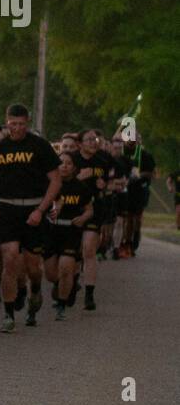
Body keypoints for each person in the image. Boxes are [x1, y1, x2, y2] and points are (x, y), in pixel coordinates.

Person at [0, 104, 61, 332]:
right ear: (7, 122)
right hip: (7, 210)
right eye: (12, 124)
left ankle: (35, 290)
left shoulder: (40, 146)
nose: (16, 128)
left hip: (33, 210)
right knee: (9, 260)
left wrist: (41, 210)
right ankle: (8, 315)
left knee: (32, 267)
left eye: (21, 124)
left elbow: (55, 180)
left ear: (27, 122)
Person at [43, 152, 93, 321]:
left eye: (68, 163)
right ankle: (61, 284)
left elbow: (89, 209)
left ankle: (62, 304)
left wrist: (83, 218)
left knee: (66, 268)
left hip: (71, 232)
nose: (64, 166)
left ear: (74, 168)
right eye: (61, 162)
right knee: (50, 274)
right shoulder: (48, 184)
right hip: (51, 232)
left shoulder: (81, 187)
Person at [73, 129, 114, 309]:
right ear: (80, 143)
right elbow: (60, 182)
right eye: (89, 140)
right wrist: (79, 178)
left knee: (89, 250)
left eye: (95, 139)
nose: (93, 142)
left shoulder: (102, 162)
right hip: (72, 208)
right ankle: (71, 283)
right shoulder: (72, 160)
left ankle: (89, 294)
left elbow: (108, 185)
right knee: (74, 252)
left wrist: (103, 186)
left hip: (95, 208)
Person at [122, 135, 156, 256]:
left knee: (136, 218)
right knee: (127, 218)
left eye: (135, 138)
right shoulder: (122, 153)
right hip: (125, 189)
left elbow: (152, 173)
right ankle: (126, 242)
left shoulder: (145, 155)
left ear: (139, 140)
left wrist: (139, 175)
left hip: (140, 190)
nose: (132, 141)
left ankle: (134, 239)